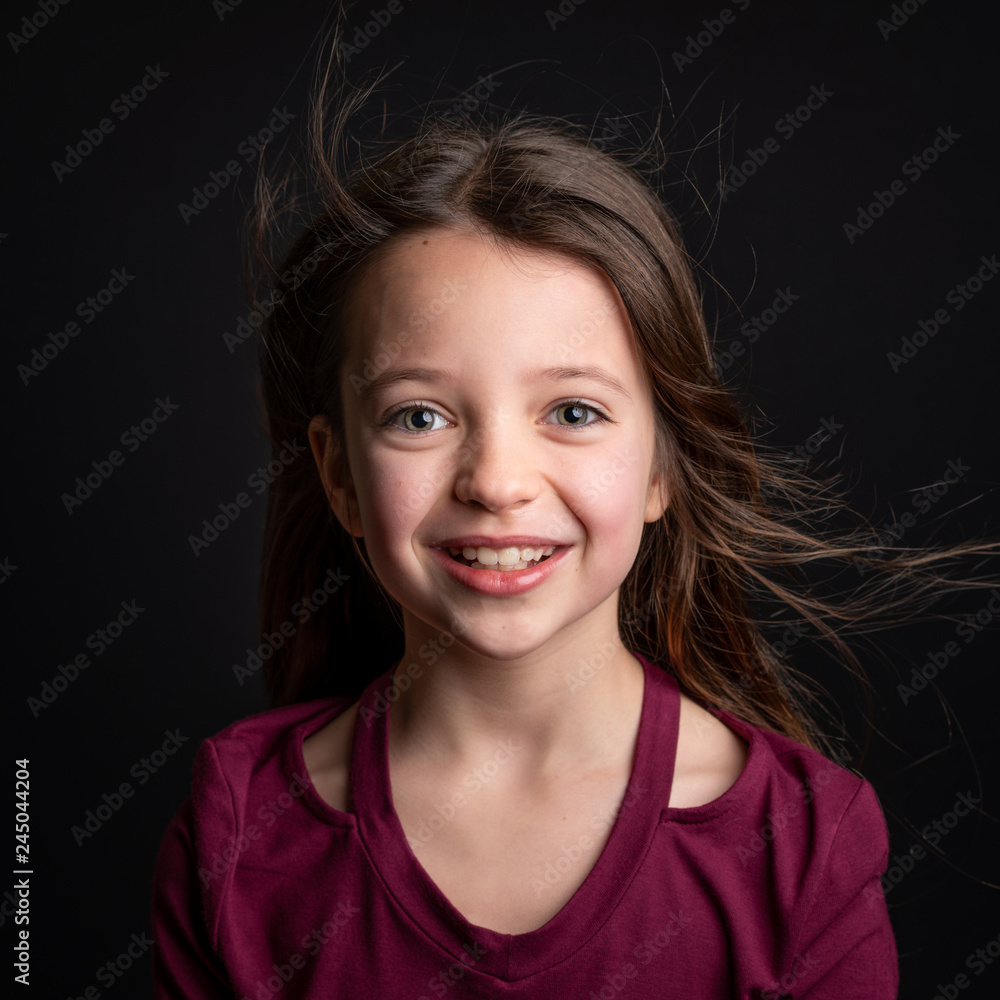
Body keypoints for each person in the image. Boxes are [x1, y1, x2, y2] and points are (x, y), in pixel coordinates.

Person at [150, 31, 992, 998]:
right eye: (420, 416)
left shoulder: (801, 849)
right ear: (338, 476)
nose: (498, 480)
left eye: (574, 412)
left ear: (662, 469)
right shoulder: (237, 830)